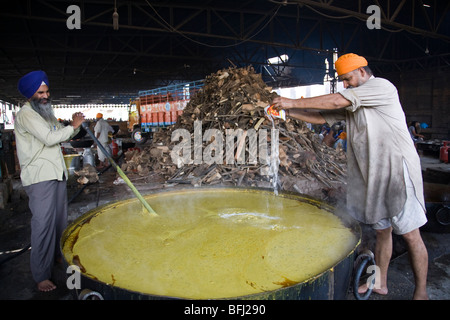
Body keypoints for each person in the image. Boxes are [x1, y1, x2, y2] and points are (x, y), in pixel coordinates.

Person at [272, 53, 429, 300]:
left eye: (348, 79)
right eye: (343, 81)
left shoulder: (381, 87)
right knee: (382, 232)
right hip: (374, 177)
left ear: (363, 72)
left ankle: (421, 291)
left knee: (410, 234)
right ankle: (381, 283)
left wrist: (289, 102)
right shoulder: (354, 101)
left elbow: (335, 101)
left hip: (398, 173)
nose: (345, 84)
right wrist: (285, 112)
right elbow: (321, 117)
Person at [14, 70, 85, 292]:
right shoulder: (27, 114)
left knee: (59, 222)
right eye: (40, 93)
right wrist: (72, 127)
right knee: (43, 225)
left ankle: (57, 258)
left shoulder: (45, 114)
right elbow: (49, 138)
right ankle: (41, 275)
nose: (46, 96)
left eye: (47, 92)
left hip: (55, 173)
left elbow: (60, 134)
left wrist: (76, 125)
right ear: (30, 95)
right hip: (40, 176)